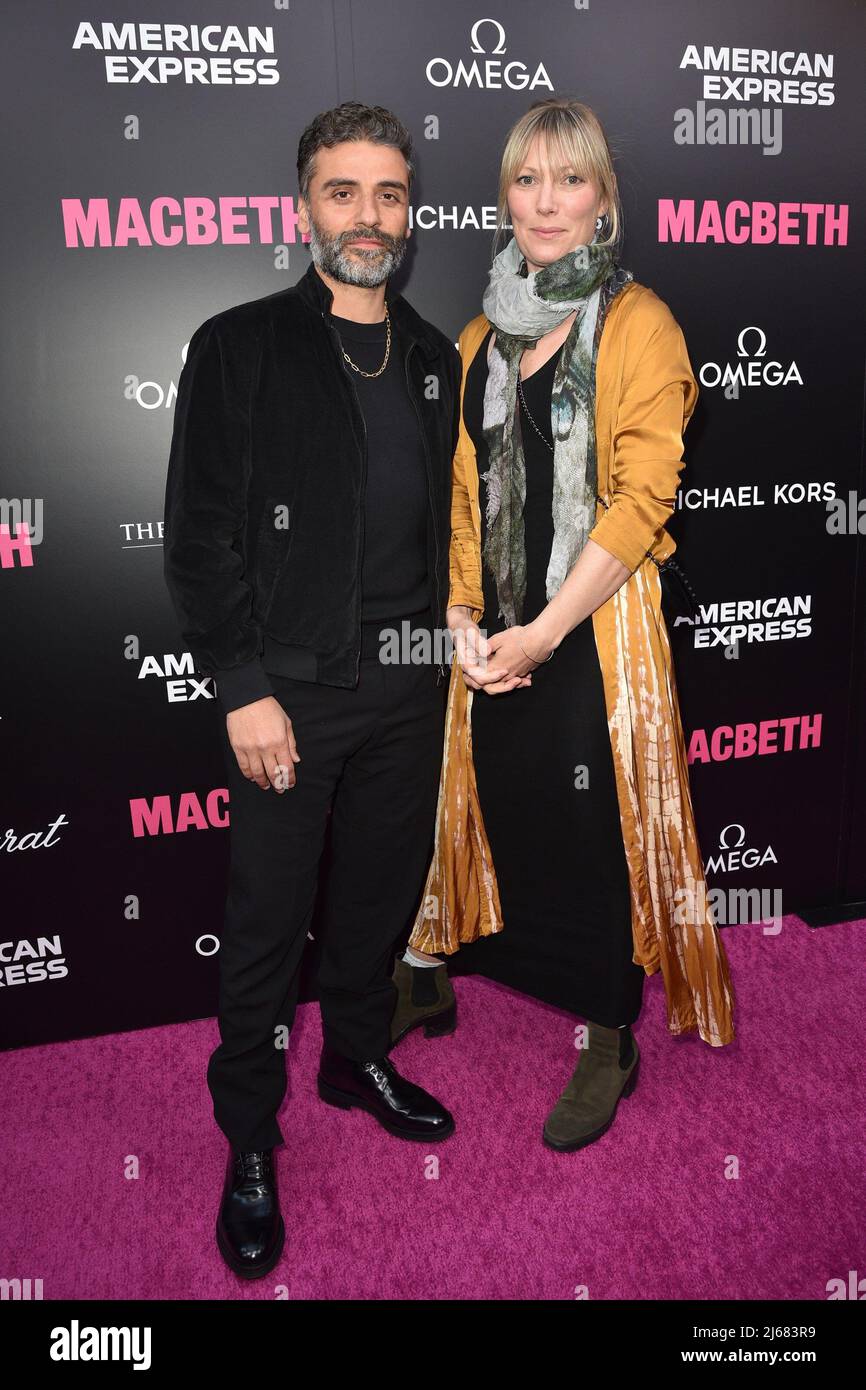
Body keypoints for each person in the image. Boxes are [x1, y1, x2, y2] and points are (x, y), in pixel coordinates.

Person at [393, 98, 736, 1151]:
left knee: (592, 829)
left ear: (601, 200)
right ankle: (433, 975)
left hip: (590, 623)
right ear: (503, 195)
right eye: (524, 180)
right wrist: (460, 611)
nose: (544, 202)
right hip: (498, 622)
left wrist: (543, 631)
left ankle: (607, 1031)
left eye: (568, 180)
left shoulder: (638, 323)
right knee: (498, 806)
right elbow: (463, 498)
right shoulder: (480, 333)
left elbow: (639, 503)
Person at [163, 100, 461, 1279]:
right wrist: (240, 684)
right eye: (344, 192)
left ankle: (352, 1057)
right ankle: (247, 1137)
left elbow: (447, 529)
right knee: (260, 924)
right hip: (286, 687)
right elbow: (197, 537)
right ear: (304, 206)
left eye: (389, 193)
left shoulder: (435, 358)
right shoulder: (238, 345)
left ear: (410, 213)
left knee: (376, 896)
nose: (369, 215)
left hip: (410, 682)